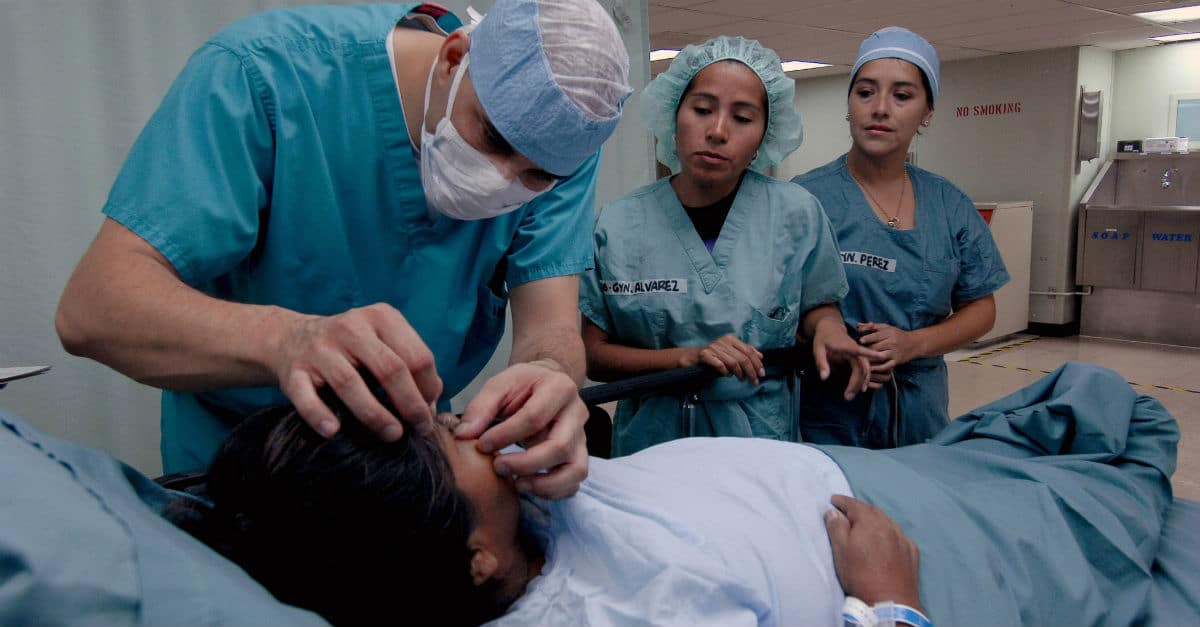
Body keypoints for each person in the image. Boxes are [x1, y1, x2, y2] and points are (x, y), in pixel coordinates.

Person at [54, 0, 633, 495]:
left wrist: (551, 374)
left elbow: (548, 323)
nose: (504, 179)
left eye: (535, 177)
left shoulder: (563, 143)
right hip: (240, 455)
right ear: (455, 56)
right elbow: (94, 310)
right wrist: (288, 342)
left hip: (401, 462)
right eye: (492, 138)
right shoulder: (267, 76)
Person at [170, 361, 1176, 627]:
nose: (471, 421)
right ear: (469, 558)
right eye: (449, 439)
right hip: (906, 547)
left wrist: (555, 386)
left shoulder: (516, 517)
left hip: (856, 476)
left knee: (1051, 433)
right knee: (1105, 486)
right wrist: (890, 603)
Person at [579, 36, 880, 457]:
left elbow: (817, 304)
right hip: (650, 453)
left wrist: (829, 330)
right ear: (673, 114)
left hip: (759, 448)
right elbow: (594, 355)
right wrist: (687, 359)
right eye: (702, 110)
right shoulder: (617, 224)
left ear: (764, 135)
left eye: (742, 118)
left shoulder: (795, 214)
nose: (717, 131)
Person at [791, 27, 1010, 448]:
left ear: (927, 112)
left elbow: (981, 307)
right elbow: (773, 301)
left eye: (903, 96)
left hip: (917, 412)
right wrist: (823, 329)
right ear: (850, 105)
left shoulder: (948, 205)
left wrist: (914, 343)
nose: (881, 109)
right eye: (866, 93)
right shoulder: (806, 198)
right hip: (827, 412)